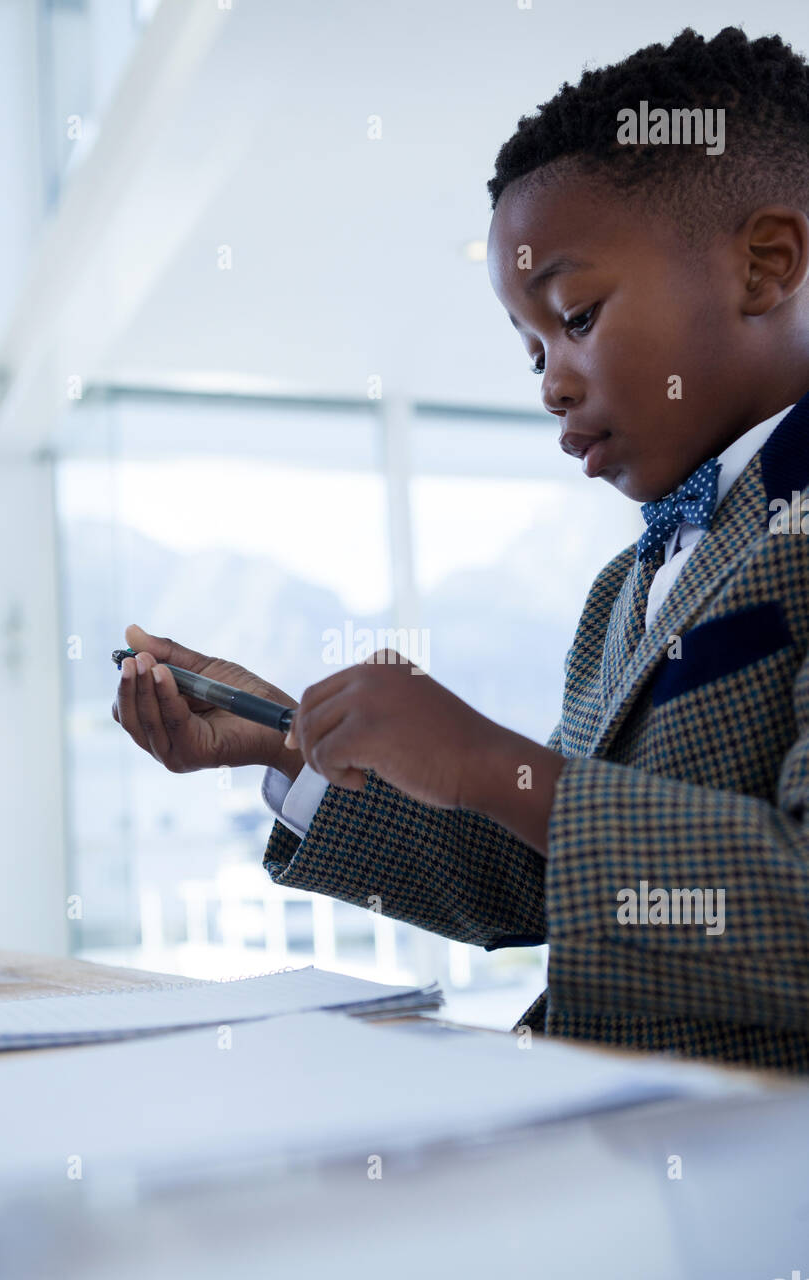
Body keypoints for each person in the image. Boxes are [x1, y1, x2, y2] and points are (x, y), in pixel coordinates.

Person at [114, 26, 809, 1073]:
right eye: (531, 349)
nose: (550, 384)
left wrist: (497, 763)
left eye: (576, 317)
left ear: (762, 265)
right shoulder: (620, 591)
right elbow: (545, 876)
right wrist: (285, 740)